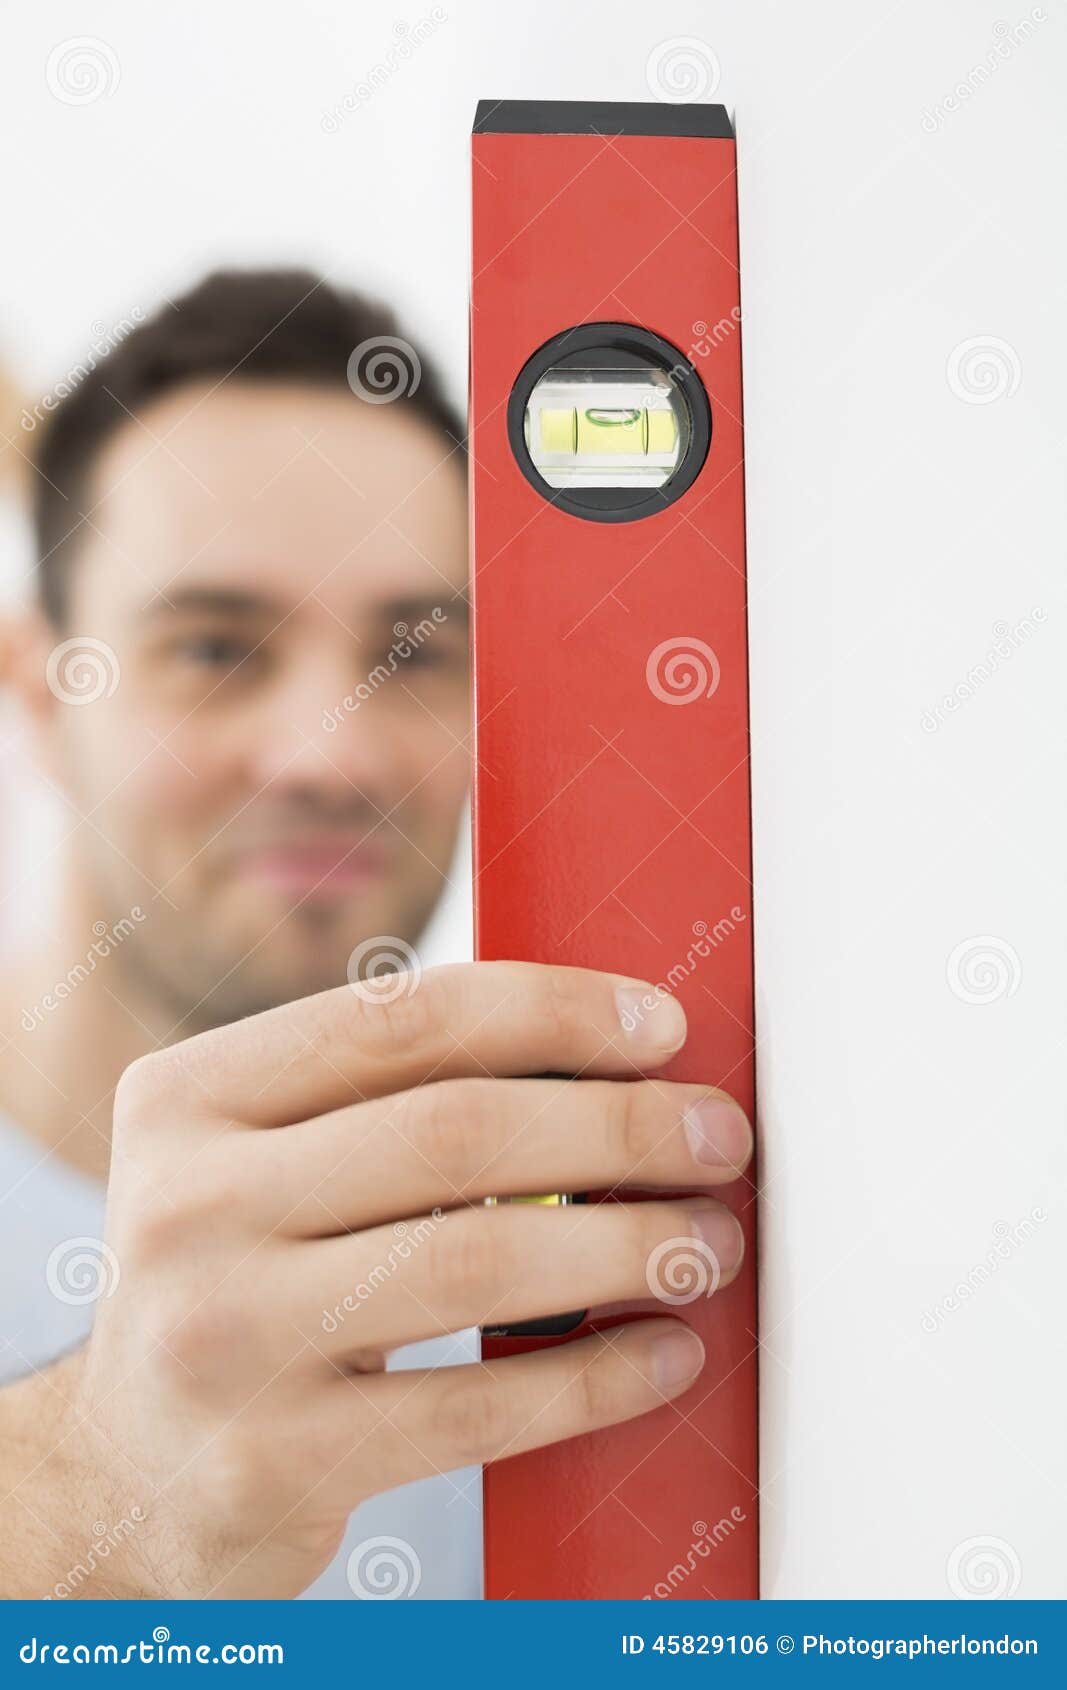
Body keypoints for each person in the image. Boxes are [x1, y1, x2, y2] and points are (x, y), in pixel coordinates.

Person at [0, 270, 752, 1600]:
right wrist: (93, 1492)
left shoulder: (588, 1253)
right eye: (216, 648)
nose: (328, 756)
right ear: (41, 694)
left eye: (413, 654)